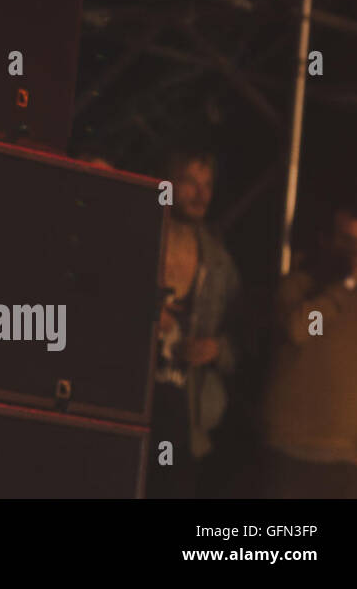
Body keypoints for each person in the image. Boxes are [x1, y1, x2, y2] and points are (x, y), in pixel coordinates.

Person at [146, 145, 242, 498]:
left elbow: (244, 343)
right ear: (166, 183)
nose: (201, 194)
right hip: (124, 402)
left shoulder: (219, 265)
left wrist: (216, 349)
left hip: (184, 418)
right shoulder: (139, 238)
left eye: (207, 184)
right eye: (190, 182)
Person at [257, 196, 357, 498]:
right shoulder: (296, 287)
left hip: (346, 462)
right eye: (347, 240)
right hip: (291, 452)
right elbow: (303, 328)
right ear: (325, 240)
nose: (356, 253)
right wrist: (345, 286)